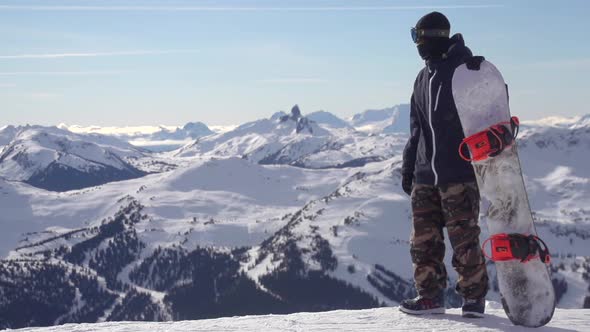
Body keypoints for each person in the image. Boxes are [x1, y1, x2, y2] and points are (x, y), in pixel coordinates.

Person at [400, 11, 489, 318]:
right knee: (423, 242)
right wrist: (409, 168)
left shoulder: (465, 71)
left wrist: (480, 75)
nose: (416, 44)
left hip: (459, 174)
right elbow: (417, 130)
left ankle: (473, 298)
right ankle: (429, 297)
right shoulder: (422, 78)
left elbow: (492, 109)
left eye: (417, 36)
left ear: (431, 36)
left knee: (464, 239)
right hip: (426, 175)